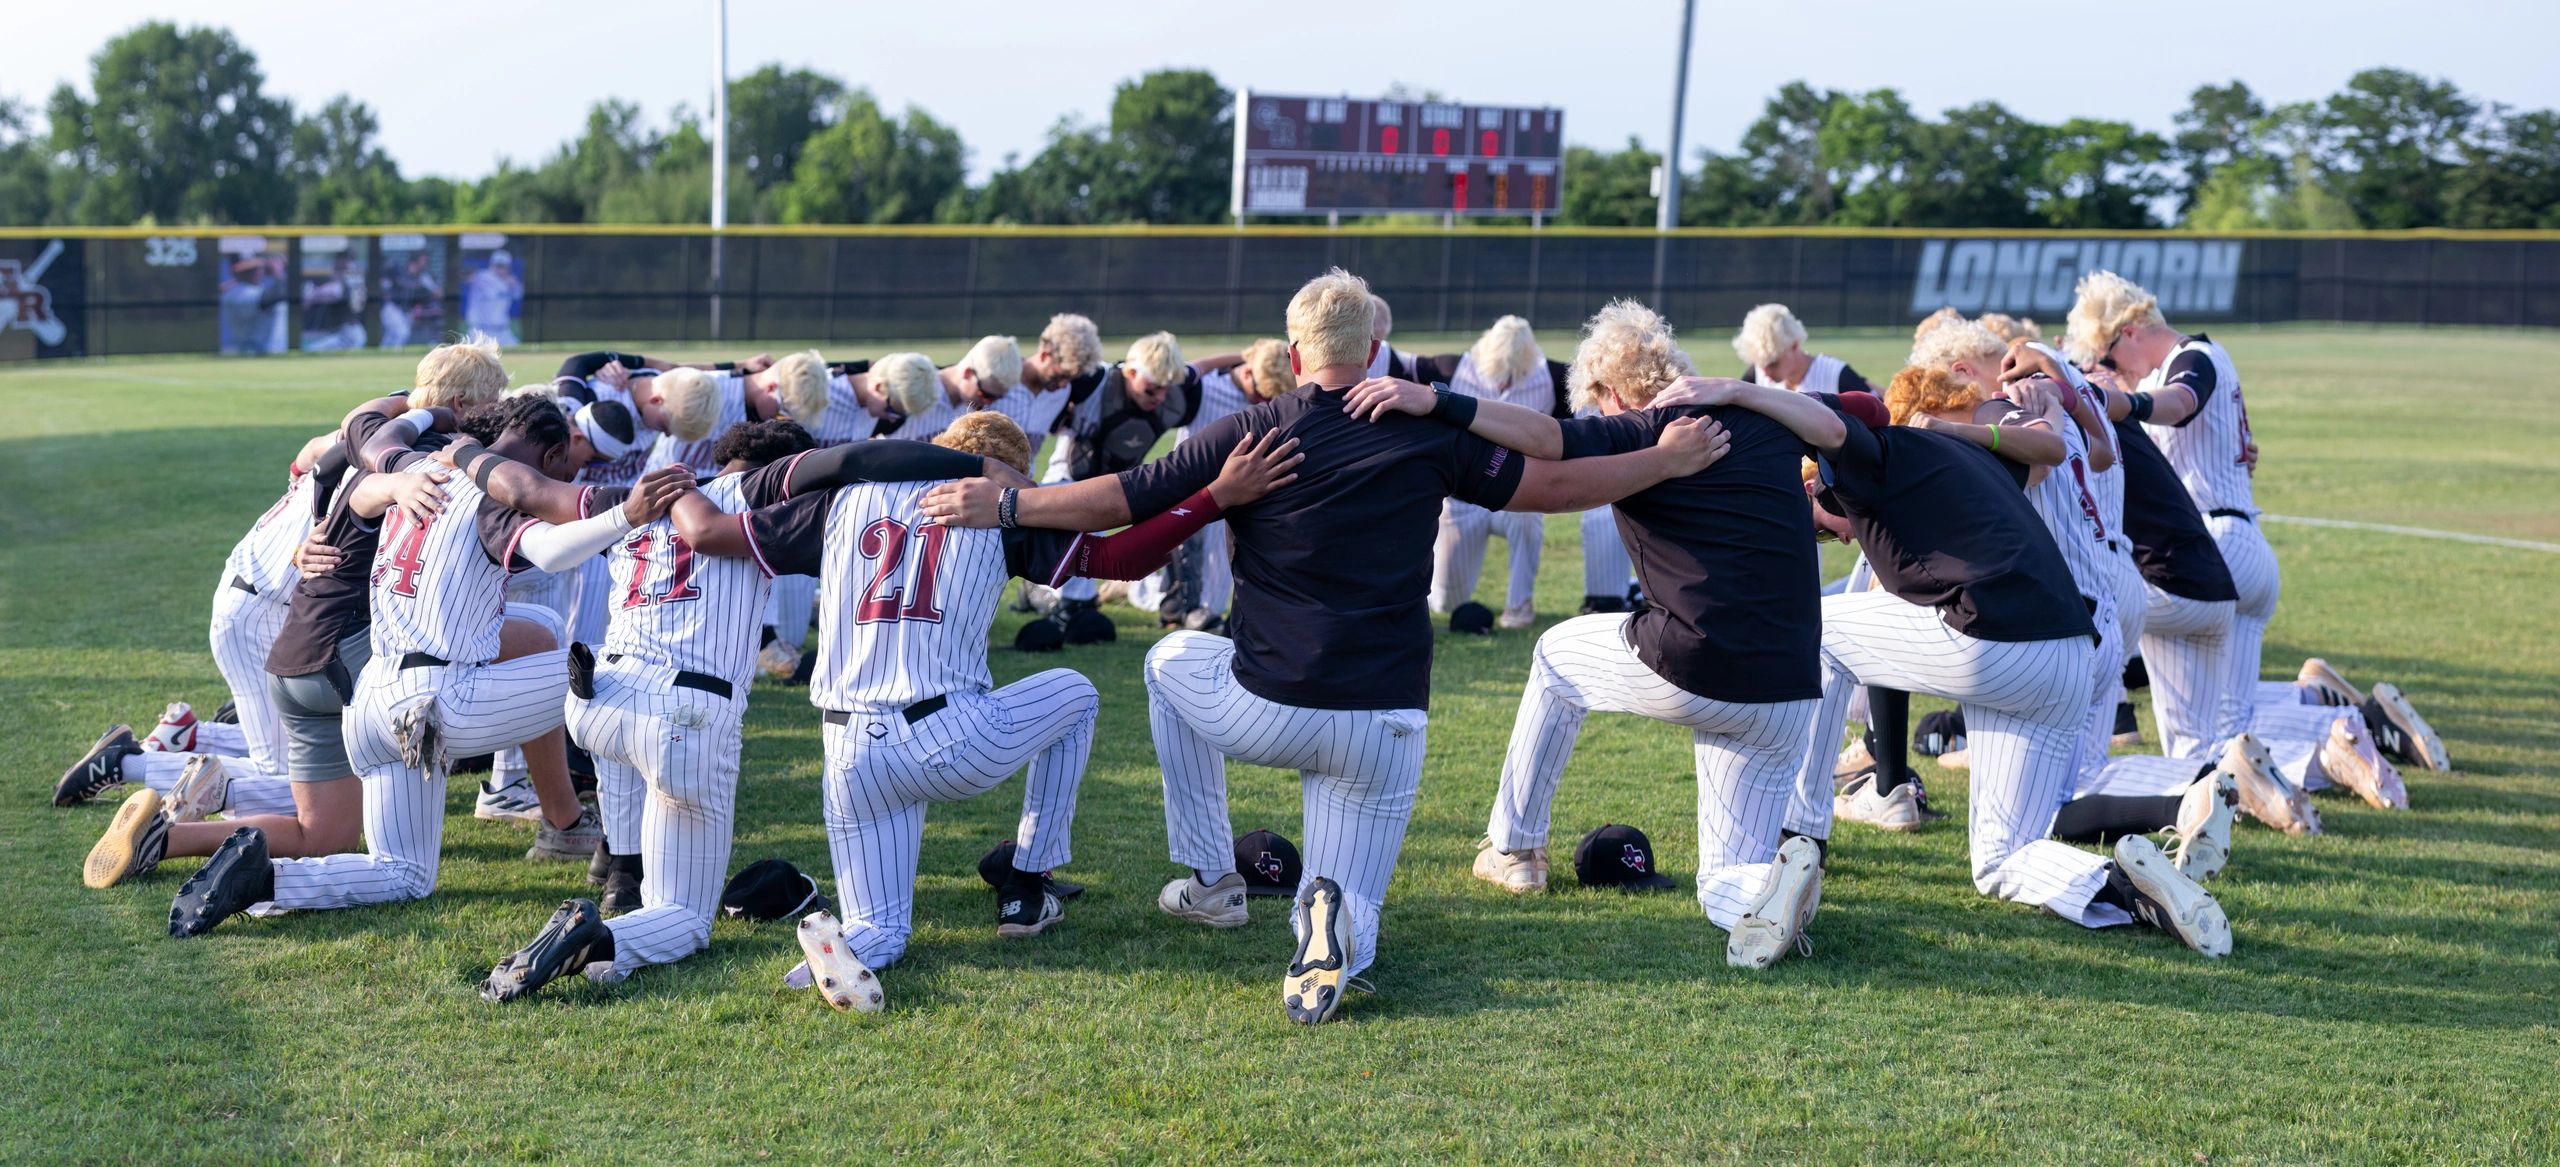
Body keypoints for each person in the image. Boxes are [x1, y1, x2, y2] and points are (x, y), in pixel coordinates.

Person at [920, 269, 1727, 1023]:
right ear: (1373, 349)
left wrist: (1009, 505)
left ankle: (1214, 880)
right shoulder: (1424, 428)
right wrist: (1658, 462)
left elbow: (1121, 498)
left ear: (1296, 349)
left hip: (1265, 703)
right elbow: (1555, 486)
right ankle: (1328, 910)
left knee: (1167, 662)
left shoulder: (1253, 430)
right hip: (1382, 721)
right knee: (1353, 903)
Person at [703, 412, 1298, 1013]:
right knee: (1076, 693)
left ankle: (840, 953)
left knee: (881, 928)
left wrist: (660, 502)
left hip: (849, 750)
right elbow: (1125, 560)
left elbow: (719, 536)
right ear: (1006, 470)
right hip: (950, 737)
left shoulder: (843, 502)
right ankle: (1028, 883)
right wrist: (1216, 497)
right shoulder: (998, 508)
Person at [1652, 378, 2231, 957]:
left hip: (2000, 639)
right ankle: (2127, 886)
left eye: (1822, 513)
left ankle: (1799, 838)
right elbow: (2048, 455)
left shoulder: (1874, 451)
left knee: (1820, 629)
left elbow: (1831, 429)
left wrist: (1738, 390)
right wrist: (2051, 409)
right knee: (2002, 859)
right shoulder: (1967, 455)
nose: (1838, 535)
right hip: (2069, 653)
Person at [474, 418, 1039, 1001]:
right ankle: (601, 935)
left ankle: (620, 870)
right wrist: (977, 469)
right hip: (684, 708)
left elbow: (530, 490)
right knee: (687, 920)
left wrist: (464, 452)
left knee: (626, 756)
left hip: (601, 695)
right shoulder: (760, 495)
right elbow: (851, 463)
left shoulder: (644, 492)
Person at [1344, 300, 1830, 969]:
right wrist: (1750, 392)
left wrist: (1440, 400)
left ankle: (1514, 849)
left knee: (1554, 655)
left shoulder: (1637, 424)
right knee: (1724, 881)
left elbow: (1543, 439)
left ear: (1609, 391)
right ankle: (1769, 883)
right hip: (1792, 686)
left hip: (1700, 662)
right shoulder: (1767, 419)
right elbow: (1855, 418)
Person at [165, 396, 690, 939]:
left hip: (371, 705)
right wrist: (624, 516)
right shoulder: (492, 496)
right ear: (552, 452)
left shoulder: (413, 468)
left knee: (406, 873)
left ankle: (266, 880)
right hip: (439, 700)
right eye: (567, 466)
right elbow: (555, 551)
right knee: (617, 678)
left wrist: (428, 413)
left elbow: (361, 437)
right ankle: (623, 863)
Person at [1427, 316, 1567, 629]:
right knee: (1445, 603)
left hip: (1515, 495)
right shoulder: (1456, 369)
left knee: (1530, 515)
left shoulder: (1549, 377)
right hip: (1463, 500)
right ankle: (1449, 593)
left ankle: (1519, 606)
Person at [1732, 303, 1874, 395]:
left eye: (1773, 363)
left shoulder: (1834, 375)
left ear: (1794, 345)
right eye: (1759, 363)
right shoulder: (1756, 376)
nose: (1765, 372)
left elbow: (1880, 416)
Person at [461, 250, 522, 346]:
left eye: (503, 266)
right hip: (480, 331)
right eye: (497, 265)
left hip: (502, 330)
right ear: (491, 265)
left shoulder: (510, 281)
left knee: (518, 353)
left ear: (508, 267)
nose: (500, 269)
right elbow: (469, 278)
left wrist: (512, 284)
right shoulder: (483, 277)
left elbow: (518, 295)